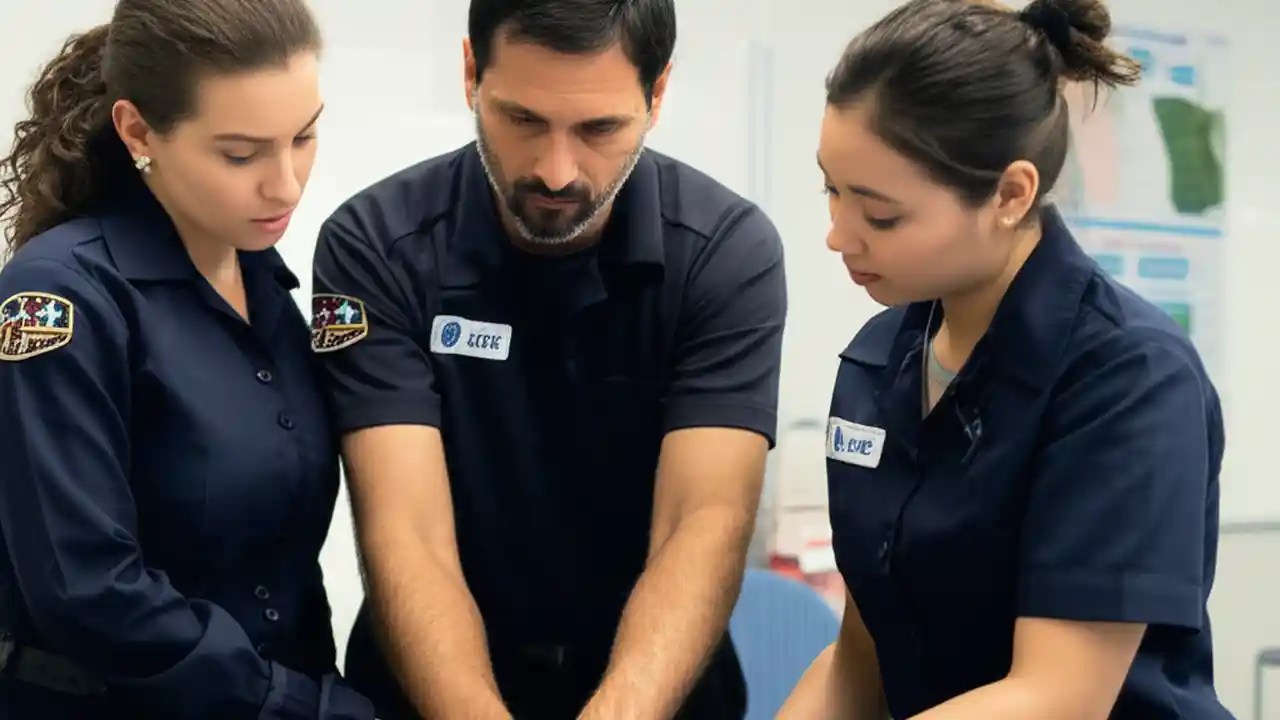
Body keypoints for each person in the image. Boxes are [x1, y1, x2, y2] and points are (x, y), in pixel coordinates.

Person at [309, 1, 787, 718]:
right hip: (429, 691)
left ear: (657, 94)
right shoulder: (374, 245)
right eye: (523, 119)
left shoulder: (726, 254)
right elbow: (409, 533)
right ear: (471, 73)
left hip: (654, 692)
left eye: (599, 129)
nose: (557, 172)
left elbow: (700, 524)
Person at [778, 0, 1232, 717]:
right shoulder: (878, 363)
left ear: (1011, 194)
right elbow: (863, 658)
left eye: (880, 214)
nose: (839, 236)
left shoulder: (1129, 380)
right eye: (831, 191)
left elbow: (1056, 697)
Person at [0, 1, 373, 717]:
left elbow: (279, 570)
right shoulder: (60, 298)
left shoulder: (266, 286)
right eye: (240, 154)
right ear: (138, 131)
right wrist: (307, 707)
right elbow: (88, 591)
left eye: (304, 136)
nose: (287, 184)